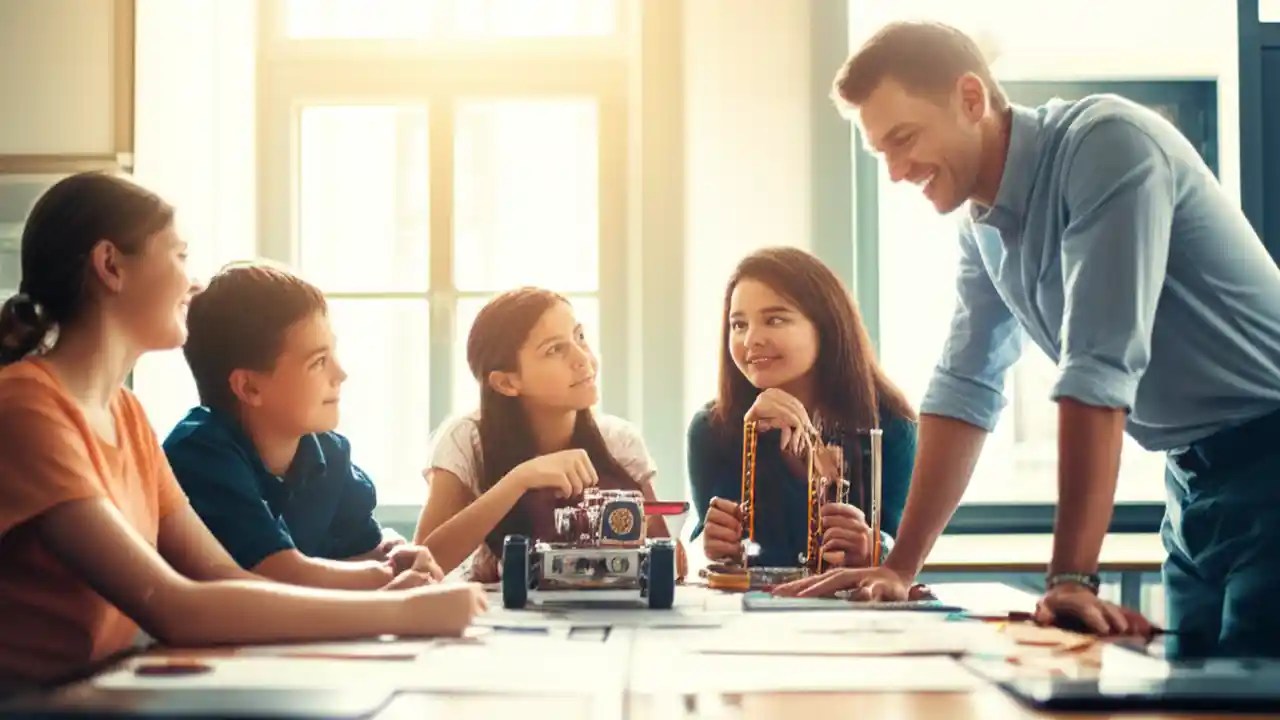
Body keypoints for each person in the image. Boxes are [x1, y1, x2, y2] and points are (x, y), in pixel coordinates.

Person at [777, 21, 1280, 659]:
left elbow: (1098, 366)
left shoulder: (1108, 147)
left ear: (970, 98)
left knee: (1252, 697)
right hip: (1190, 488)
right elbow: (966, 387)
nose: (898, 173)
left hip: (1269, 464)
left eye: (903, 140)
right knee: (1191, 700)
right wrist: (898, 568)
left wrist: (1071, 577)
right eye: (882, 154)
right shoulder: (980, 227)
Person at [0, 173, 484, 689]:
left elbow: (229, 577)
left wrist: (384, 594)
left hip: (102, 689)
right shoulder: (27, 407)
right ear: (111, 266)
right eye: (180, 255)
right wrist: (404, 614)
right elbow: (172, 605)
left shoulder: (127, 414)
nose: (193, 282)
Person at [164, 263, 442, 589]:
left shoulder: (329, 452)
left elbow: (355, 556)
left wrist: (396, 556)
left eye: (333, 353)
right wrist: (384, 575)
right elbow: (275, 572)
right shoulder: (200, 455)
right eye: (318, 361)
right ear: (250, 388)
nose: (341, 373)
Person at [414, 287, 673, 581]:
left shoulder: (619, 441)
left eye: (579, 337)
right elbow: (421, 565)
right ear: (507, 383)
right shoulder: (467, 439)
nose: (582, 359)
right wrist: (520, 479)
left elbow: (672, 563)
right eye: (554, 350)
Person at [688, 247, 917, 570]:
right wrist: (711, 543)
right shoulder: (712, 429)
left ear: (826, 325)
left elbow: (901, 555)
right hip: (748, 615)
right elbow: (708, 547)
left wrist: (872, 550)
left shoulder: (892, 428)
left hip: (853, 616)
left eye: (775, 320)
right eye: (738, 325)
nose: (751, 339)